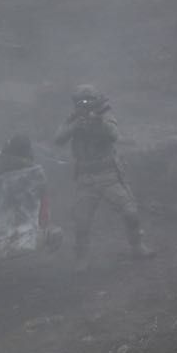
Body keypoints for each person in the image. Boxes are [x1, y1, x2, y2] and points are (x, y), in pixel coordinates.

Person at [54, 84, 154, 271]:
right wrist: (75, 125)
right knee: (82, 221)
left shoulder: (105, 115)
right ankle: (82, 257)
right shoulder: (74, 119)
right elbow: (58, 138)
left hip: (108, 175)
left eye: (88, 101)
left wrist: (98, 122)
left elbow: (115, 135)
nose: (84, 105)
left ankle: (137, 246)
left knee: (130, 212)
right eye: (80, 102)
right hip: (85, 177)